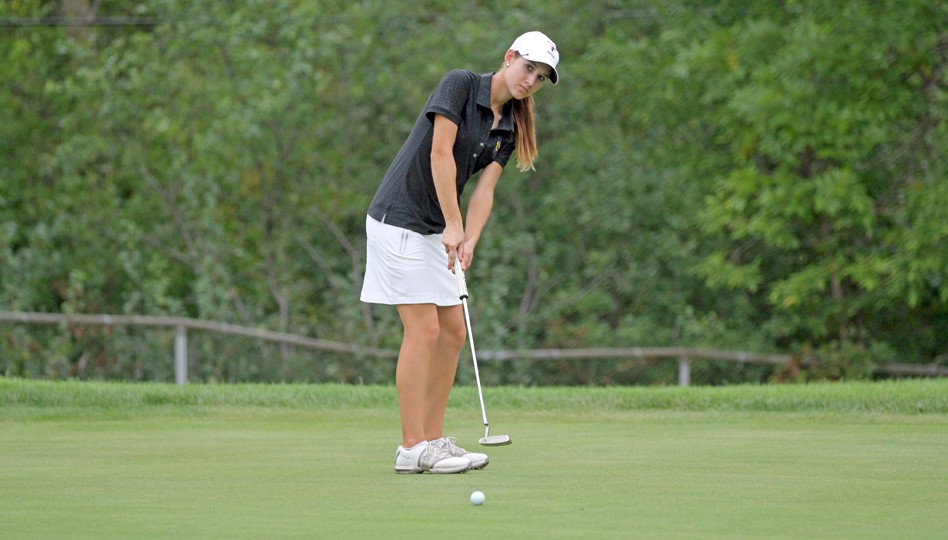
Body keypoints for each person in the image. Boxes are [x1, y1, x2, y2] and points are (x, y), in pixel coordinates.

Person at [361, 31, 560, 474]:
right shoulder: (460, 84)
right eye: (528, 67)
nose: (531, 80)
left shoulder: (508, 127)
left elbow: (484, 191)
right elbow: (439, 156)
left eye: (541, 76)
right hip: (397, 221)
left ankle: (434, 439)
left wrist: (469, 236)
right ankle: (411, 447)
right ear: (509, 58)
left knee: (453, 332)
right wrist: (452, 224)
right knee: (424, 330)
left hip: (436, 229)